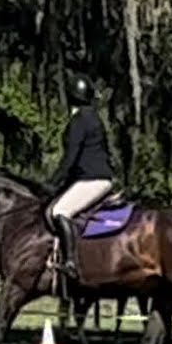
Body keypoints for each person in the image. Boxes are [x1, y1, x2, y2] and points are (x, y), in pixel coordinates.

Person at [47, 73, 115, 279]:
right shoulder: (93, 118)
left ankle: (70, 262)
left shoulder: (79, 120)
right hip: (98, 178)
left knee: (60, 211)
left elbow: (71, 158)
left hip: (92, 180)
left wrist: (53, 182)